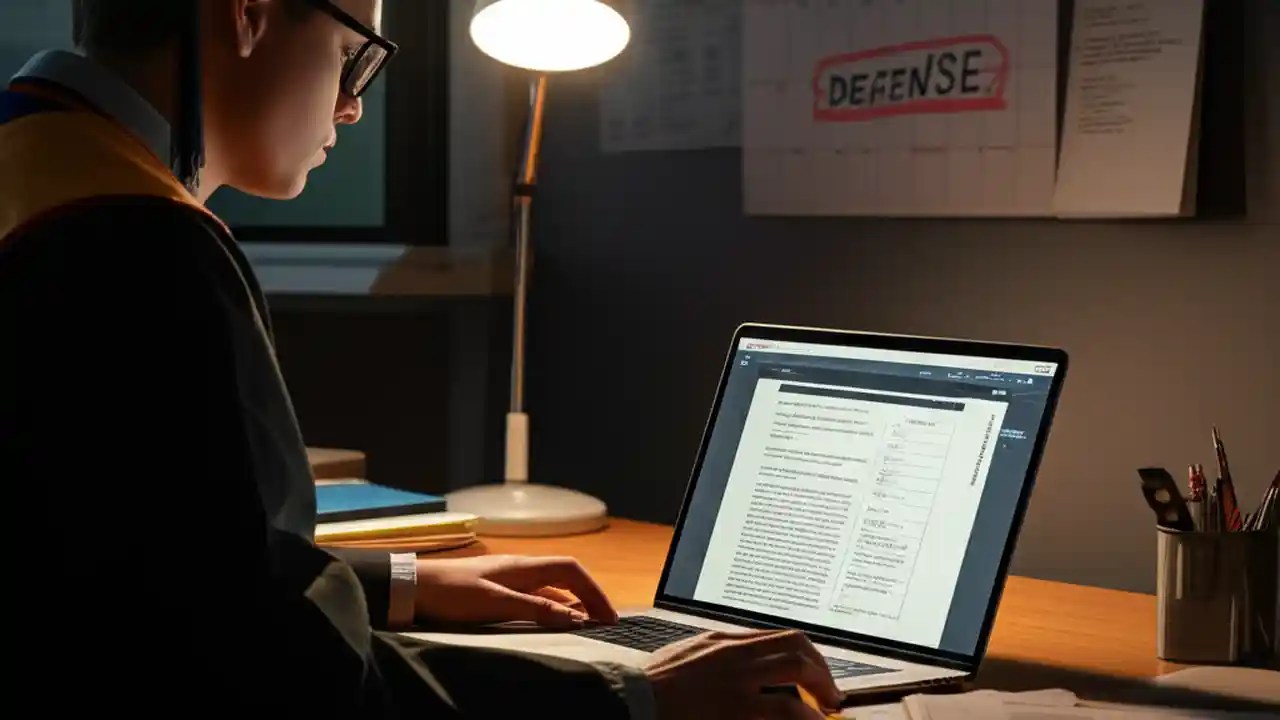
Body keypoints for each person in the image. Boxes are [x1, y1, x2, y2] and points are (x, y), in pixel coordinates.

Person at [0, 1, 841, 716]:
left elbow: (155, 574)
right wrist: (632, 701)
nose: (354, 107)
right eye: (351, 54)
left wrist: (405, 582)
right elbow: (271, 669)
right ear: (249, 13)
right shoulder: (134, 244)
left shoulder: (34, 165)